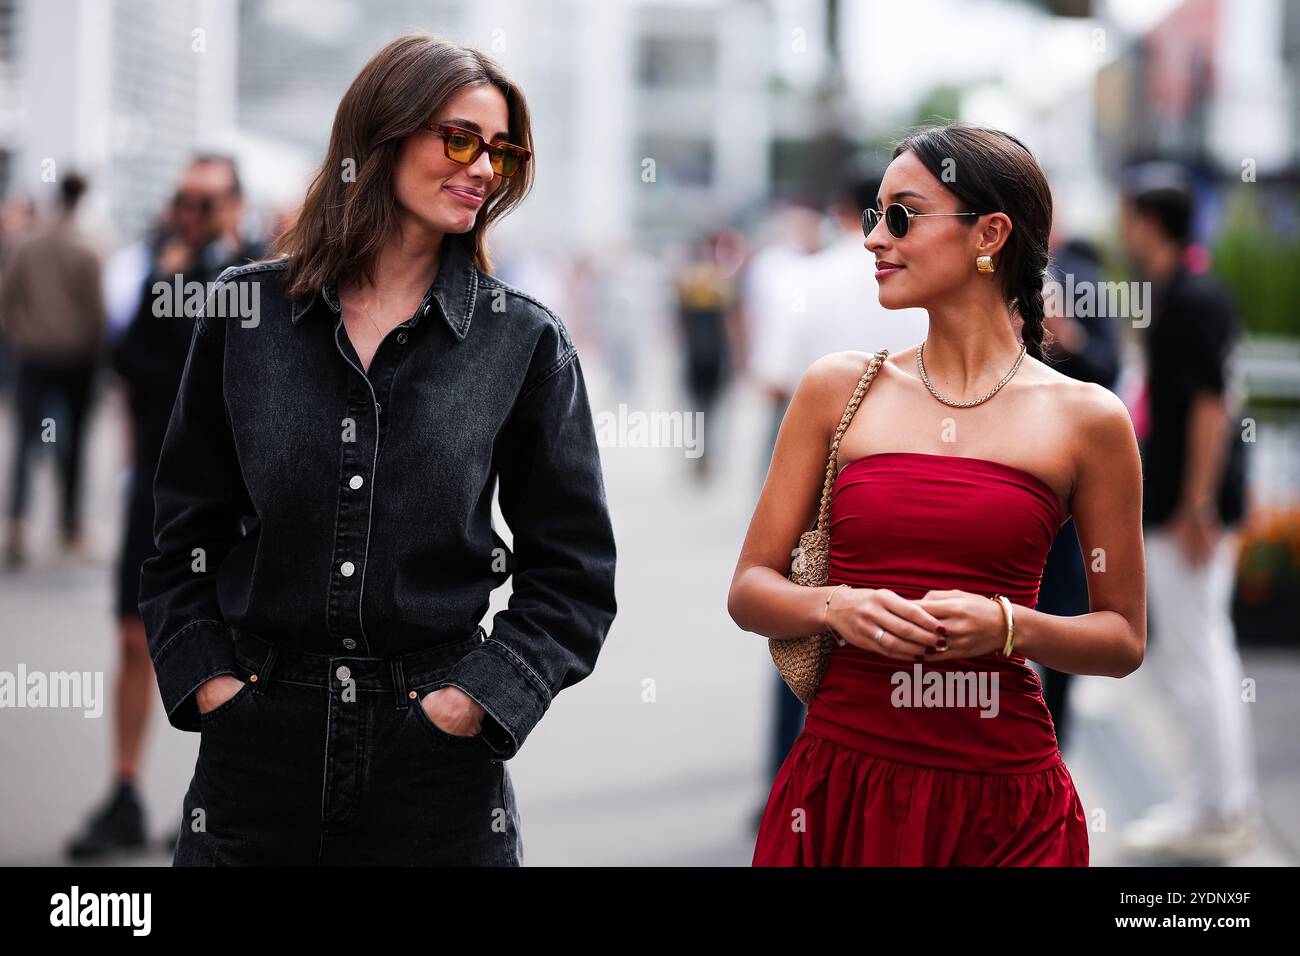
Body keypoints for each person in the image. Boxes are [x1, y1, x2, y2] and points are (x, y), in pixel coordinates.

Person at [139, 33, 617, 865]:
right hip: (257, 753)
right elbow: (182, 536)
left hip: (435, 768)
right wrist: (210, 683)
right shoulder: (244, 314)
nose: (484, 169)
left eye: (502, 151)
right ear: (382, 134)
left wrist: (475, 701)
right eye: (460, 139)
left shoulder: (523, 342)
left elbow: (574, 574)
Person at [730, 122, 1146, 866]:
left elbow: (1122, 639)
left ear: (990, 234)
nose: (872, 239)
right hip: (841, 787)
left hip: (1006, 808)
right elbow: (749, 590)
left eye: (901, 216)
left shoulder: (1088, 419)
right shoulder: (837, 389)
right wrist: (835, 606)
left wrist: (1010, 626)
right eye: (874, 215)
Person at [65, 155, 262, 859]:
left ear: (235, 204)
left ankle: (219, 803)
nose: (192, 212)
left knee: (236, 650)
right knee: (133, 637)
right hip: (156, 485)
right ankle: (124, 790)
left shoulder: (262, 277)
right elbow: (128, 362)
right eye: (184, 198)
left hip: (237, 499)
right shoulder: (159, 269)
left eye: (206, 200)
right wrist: (167, 280)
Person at [1116, 165, 1258, 860]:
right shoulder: (1181, 291)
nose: (1123, 231)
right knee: (1197, 656)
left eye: (1128, 217)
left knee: (1197, 658)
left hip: (1187, 514)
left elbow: (1210, 406)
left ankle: (1217, 810)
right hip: (1180, 507)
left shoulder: (1192, 298)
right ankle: (1215, 803)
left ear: (1150, 222)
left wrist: (1197, 504)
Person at [1036, 230, 1121, 751]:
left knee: (1062, 605)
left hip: (1063, 477)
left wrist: (1065, 332)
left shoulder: (1080, 281)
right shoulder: (986, 279)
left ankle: (1053, 745)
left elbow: (1107, 367)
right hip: (1012, 468)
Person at [0, 173, 106, 568]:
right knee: (73, 444)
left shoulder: (27, 244)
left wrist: (21, 334)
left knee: (27, 441)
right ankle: (70, 526)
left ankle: (18, 523)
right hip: (75, 359)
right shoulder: (88, 248)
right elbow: (97, 313)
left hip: (34, 355)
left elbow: (8, 297)